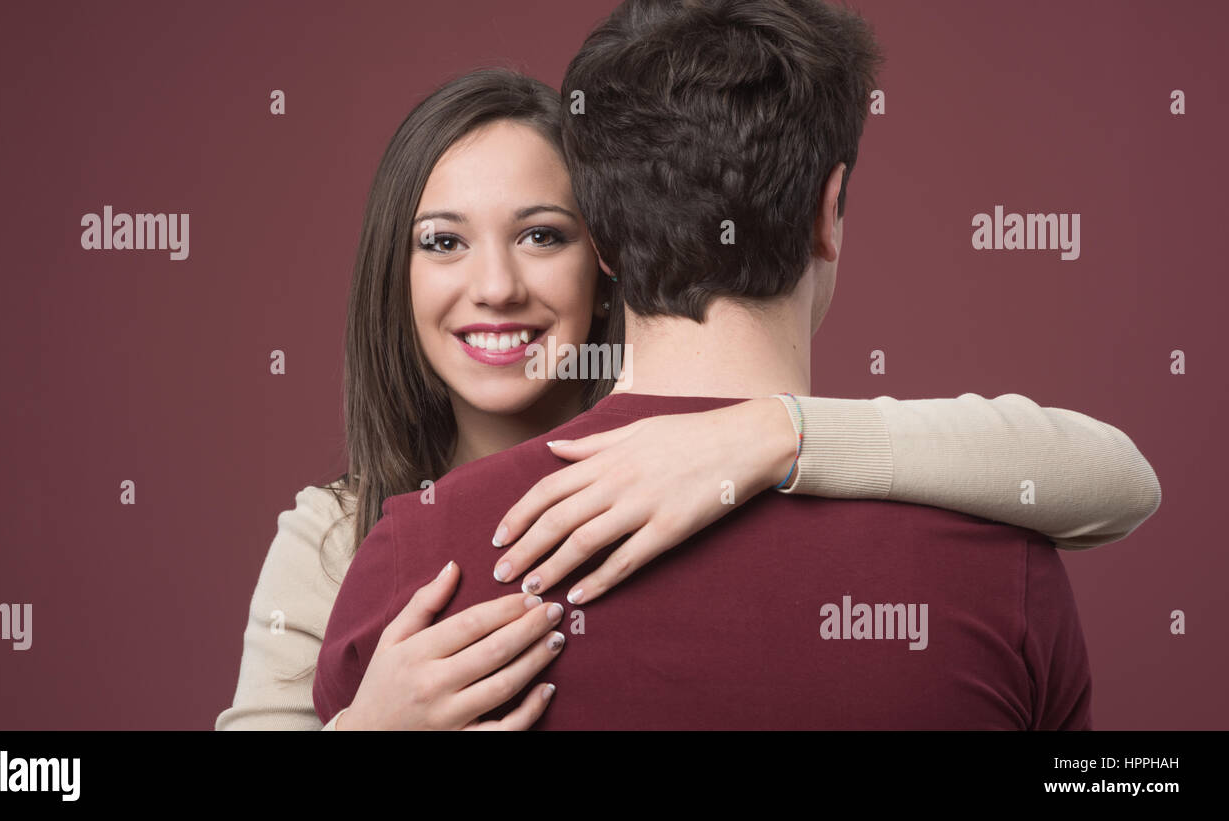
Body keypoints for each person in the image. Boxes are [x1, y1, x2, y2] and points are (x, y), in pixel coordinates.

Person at [219, 60, 1159, 729]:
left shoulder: (751, 457)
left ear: (611, 251)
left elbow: (1116, 478)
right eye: (442, 241)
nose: (496, 285)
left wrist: (771, 435)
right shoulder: (342, 540)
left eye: (543, 235)